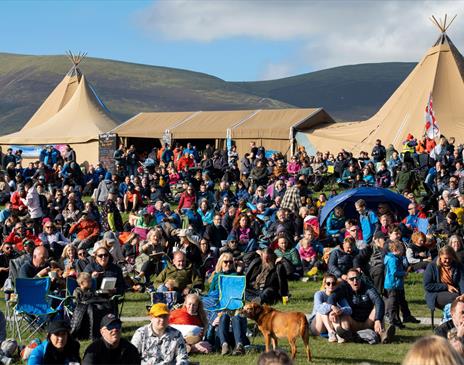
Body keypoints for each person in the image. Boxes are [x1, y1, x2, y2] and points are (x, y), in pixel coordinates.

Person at [327, 268, 393, 343]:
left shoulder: (368, 288)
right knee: (343, 314)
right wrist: (333, 307)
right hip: (353, 323)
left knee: (377, 309)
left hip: (368, 321)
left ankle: (383, 335)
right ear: (347, 280)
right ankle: (347, 335)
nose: (355, 282)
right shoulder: (344, 288)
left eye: (357, 278)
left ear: (360, 278)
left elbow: (379, 301)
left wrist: (377, 319)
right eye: (352, 279)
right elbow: (331, 297)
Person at [309, 273, 352, 343]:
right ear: (324, 285)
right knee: (324, 307)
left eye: (333, 283)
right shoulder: (319, 294)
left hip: (331, 322)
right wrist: (332, 307)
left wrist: (340, 310)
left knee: (337, 312)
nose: (331, 285)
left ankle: (339, 333)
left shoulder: (339, 296)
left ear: (336, 285)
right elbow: (318, 308)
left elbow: (349, 309)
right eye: (328, 283)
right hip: (317, 325)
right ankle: (331, 332)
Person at [424, 245, 464, 312]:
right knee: (455, 298)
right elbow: (427, 286)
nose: (447, 260)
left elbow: (462, 281)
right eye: (445, 258)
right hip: (437, 294)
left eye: (450, 258)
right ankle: (448, 321)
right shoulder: (432, 266)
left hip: (456, 292)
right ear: (440, 256)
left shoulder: (458, 265)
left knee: (459, 298)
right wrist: (446, 287)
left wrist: (463, 294)